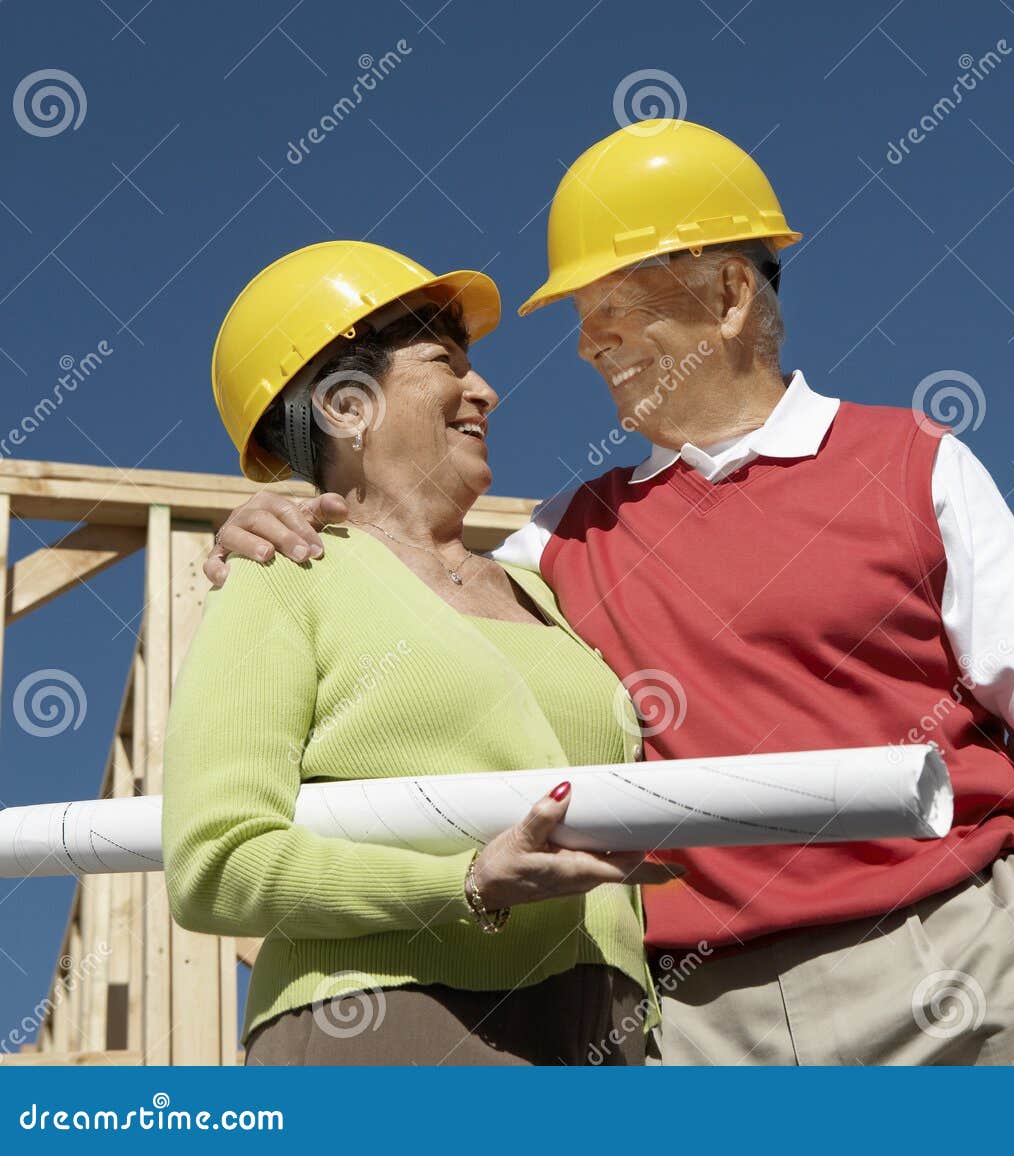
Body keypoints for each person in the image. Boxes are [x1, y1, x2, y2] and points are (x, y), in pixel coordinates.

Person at [205, 122, 1014, 1065]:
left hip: (956, 967)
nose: (585, 345)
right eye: (581, 317)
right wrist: (275, 514)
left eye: (611, 307)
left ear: (731, 295)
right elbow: (406, 574)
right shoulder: (562, 539)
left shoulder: (912, 464)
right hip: (700, 1024)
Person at [164, 240, 676, 1066]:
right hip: (386, 1026)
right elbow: (214, 862)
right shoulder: (286, 573)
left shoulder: (538, 592)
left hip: (603, 1028)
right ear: (345, 403)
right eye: (445, 362)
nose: (486, 390)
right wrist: (462, 887)